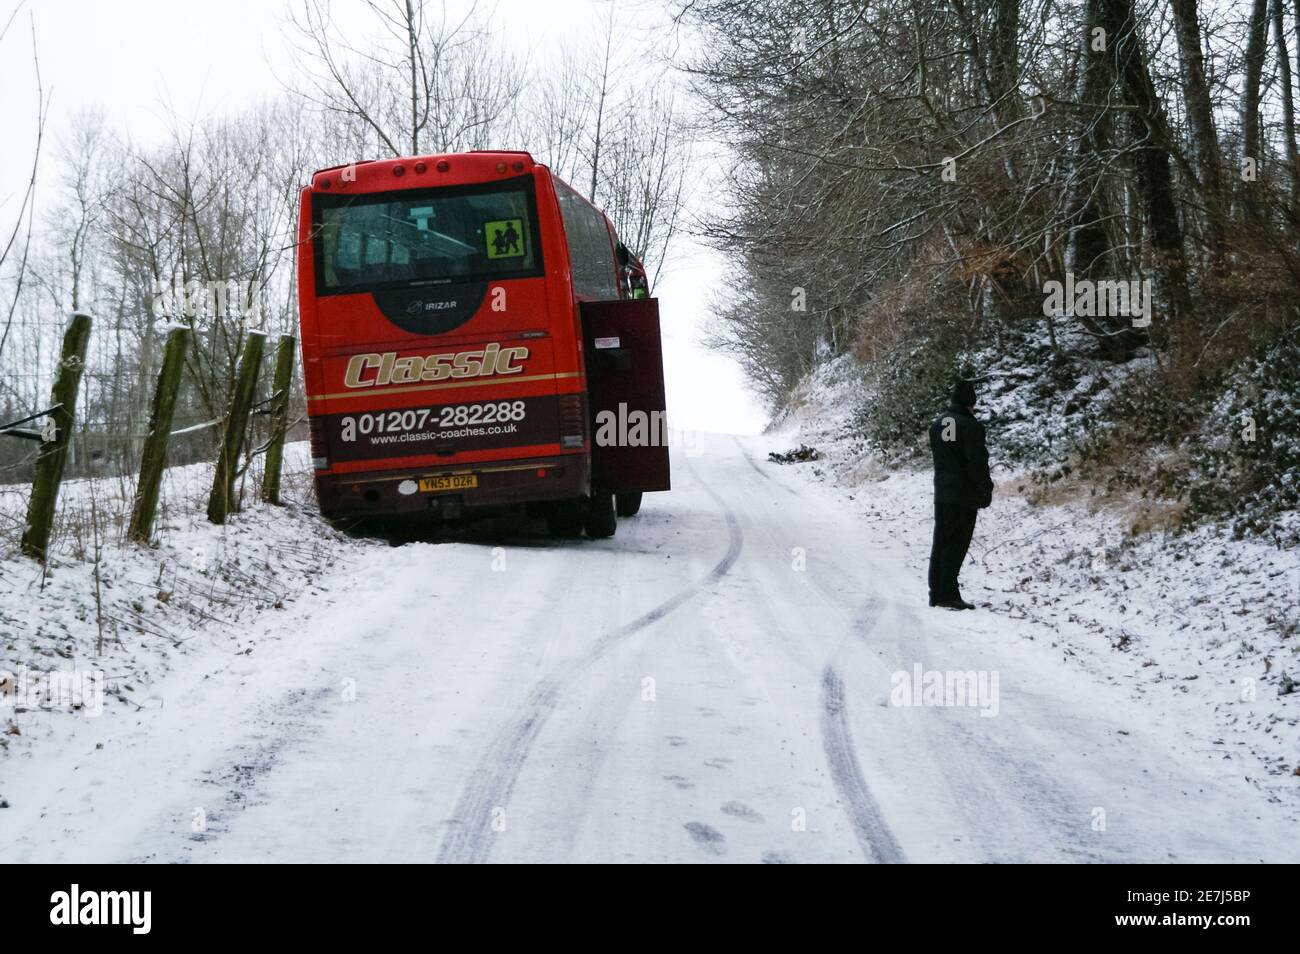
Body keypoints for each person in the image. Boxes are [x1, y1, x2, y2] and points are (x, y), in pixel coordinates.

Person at [927, 378, 994, 610]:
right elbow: (976, 462)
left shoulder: (939, 424)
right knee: (956, 544)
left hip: (942, 492)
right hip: (963, 495)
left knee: (941, 542)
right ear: (970, 403)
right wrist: (985, 489)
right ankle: (948, 594)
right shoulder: (970, 426)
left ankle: (936, 591)